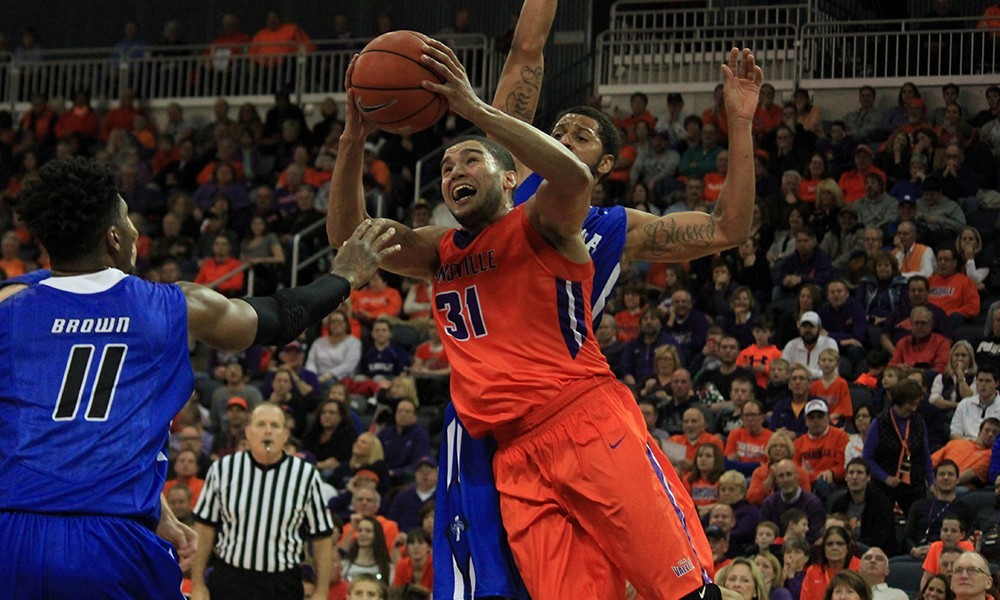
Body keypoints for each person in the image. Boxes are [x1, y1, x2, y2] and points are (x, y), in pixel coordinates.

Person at [329, 24, 762, 598]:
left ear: (512, 177)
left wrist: (474, 109)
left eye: (470, 161)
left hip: (584, 420)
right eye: (446, 168)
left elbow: (585, 181)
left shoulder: (550, 220)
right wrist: (353, 140)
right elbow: (352, 244)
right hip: (513, 452)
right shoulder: (439, 249)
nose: (454, 172)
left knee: (684, 590)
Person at [0, 157, 396, 599]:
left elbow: (69, 435)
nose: (135, 231)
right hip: (111, 540)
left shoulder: (9, 312)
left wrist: (157, 507)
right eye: (128, 220)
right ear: (113, 237)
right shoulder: (168, 306)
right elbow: (280, 316)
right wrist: (344, 275)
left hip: (12, 535)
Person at [190, 403, 336, 600]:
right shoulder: (223, 469)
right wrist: (198, 584)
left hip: (282, 583)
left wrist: (321, 591)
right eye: (261, 424)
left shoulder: (306, 475)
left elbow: (322, 538)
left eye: (275, 425)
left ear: (285, 435)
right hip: (231, 579)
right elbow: (204, 528)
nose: (268, 431)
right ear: (248, 433)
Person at [831, 458, 896, 555]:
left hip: (873, 553)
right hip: (843, 552)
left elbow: (880, 539)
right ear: (846, 477)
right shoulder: (838, 504)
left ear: (868, 477)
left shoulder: (882, 504)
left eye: (860, 473)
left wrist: (852, 545)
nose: (854, 477)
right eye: (851, 473)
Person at [760, 459, 826, 544]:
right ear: (776, 480)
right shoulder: (769, 504)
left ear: (797, 476)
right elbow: (764, 533)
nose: (786, 479)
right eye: (781, 476)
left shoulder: (812, 503)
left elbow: (814, 537)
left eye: (789, 474)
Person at [800, 526, 861, 600]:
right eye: (830, 544)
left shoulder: (859, 567)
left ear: (848, 547)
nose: (834, 548)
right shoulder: (813, 571)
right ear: (824, 548)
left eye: (839, 544)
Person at [951, 366, 1000, 440]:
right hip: (965, 444)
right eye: (980, 380)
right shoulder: (964, 404)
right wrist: (970, 444)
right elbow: (954, 432)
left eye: (988, 381)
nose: (983, 384)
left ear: (997, 383)